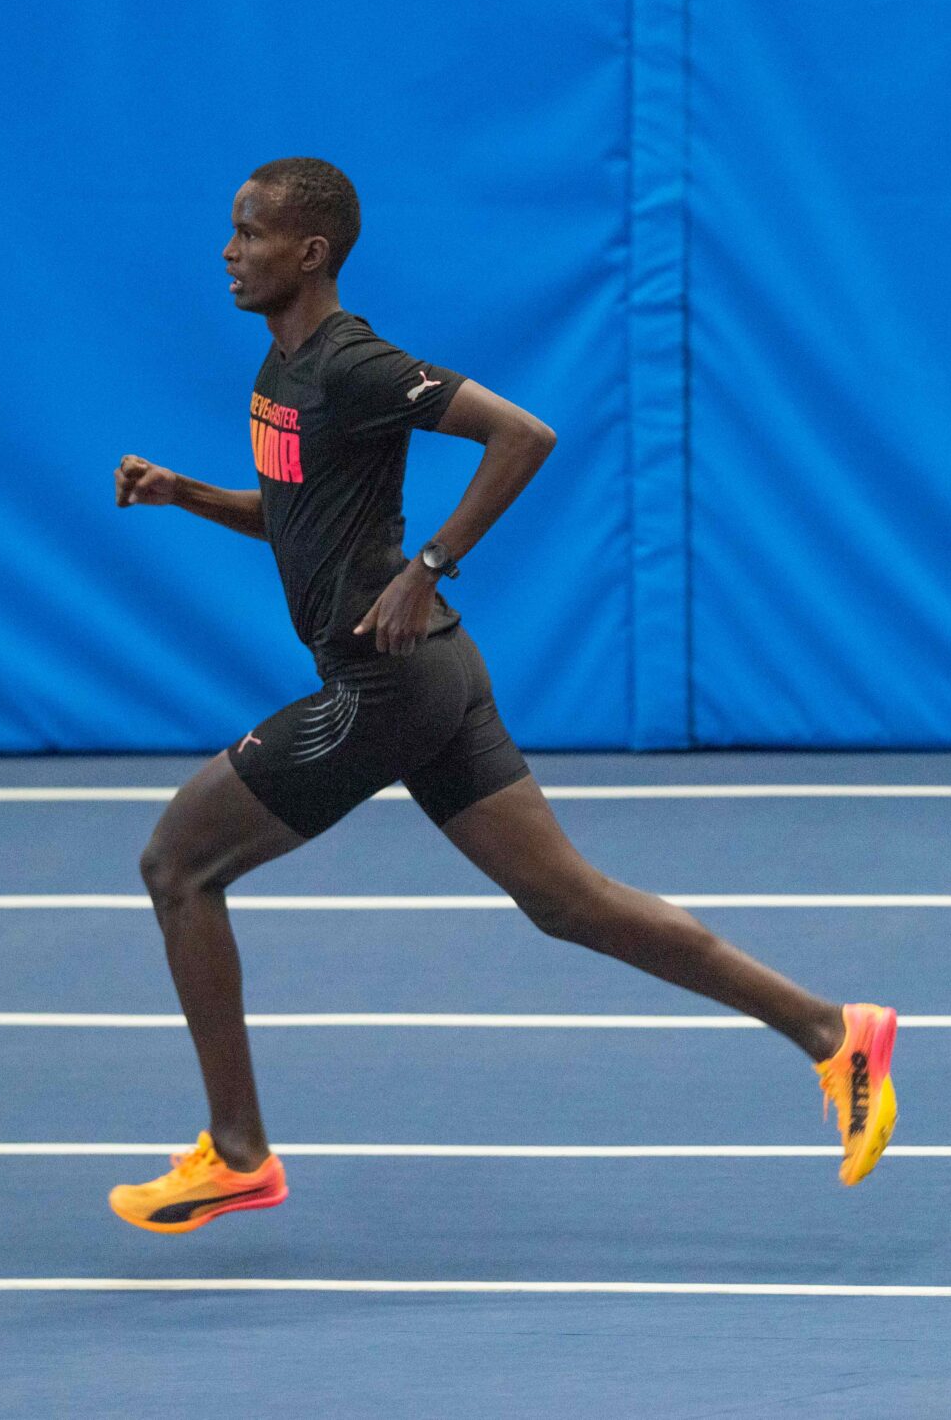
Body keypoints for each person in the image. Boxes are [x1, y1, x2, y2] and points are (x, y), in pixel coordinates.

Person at [105, 157, 895, 1234]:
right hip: (434, 680)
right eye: (231, 231)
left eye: (247, 234)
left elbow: (524, 434)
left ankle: (238, 1152)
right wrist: (186, 493)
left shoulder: (354, 364)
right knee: (568, 903)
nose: (228, 251)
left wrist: (426, 564)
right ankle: (832, 1032)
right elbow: (294, 517)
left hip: (386, 683)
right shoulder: (279, 372)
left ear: (310, 252)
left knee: (176, 866)